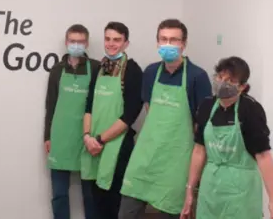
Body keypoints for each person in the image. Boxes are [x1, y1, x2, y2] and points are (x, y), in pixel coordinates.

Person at [119, 19, 212, 219]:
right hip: (146, 155)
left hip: (176, 161)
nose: (168, 44)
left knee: (168, 212)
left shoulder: (198, 76)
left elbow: (201, 126)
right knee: (127, 212)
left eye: (174, 40)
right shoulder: (151, 72)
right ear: (157, 42)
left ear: (183, 44)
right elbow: (150, 110)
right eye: (164, 39)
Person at [180, 56, 273, 219]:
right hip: (211, 188)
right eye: (220, 77)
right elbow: (199, 150)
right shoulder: (207, 106)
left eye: (230, 80)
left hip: (241, 191)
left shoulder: (251, 110)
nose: (222, 83)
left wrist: (272, 199)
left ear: (242, 87)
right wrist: (189, 191)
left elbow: (263, 156)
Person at [81, 22, 143, 219]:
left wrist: (100, 139)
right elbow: (88, 106)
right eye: (108, 39)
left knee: (113, 204)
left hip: (117, 146)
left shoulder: (133, 71)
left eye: (117, 40)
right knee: (96, 200)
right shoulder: (99, 68)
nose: (111, 44)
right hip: (93, 145)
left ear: (126, 43)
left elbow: (129, 115)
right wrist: (87, 136)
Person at [44, 24, 100, 219]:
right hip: (60, 137)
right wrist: (47, 136)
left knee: (90, 194)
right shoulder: (57, 70)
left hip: (87, 138)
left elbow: (98, 105)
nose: (76, 45)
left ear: (87, 43)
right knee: (59, 194)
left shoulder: (96, 68)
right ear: (66, 42)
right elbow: (50, 105)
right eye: (72, 41)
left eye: (80, 41)